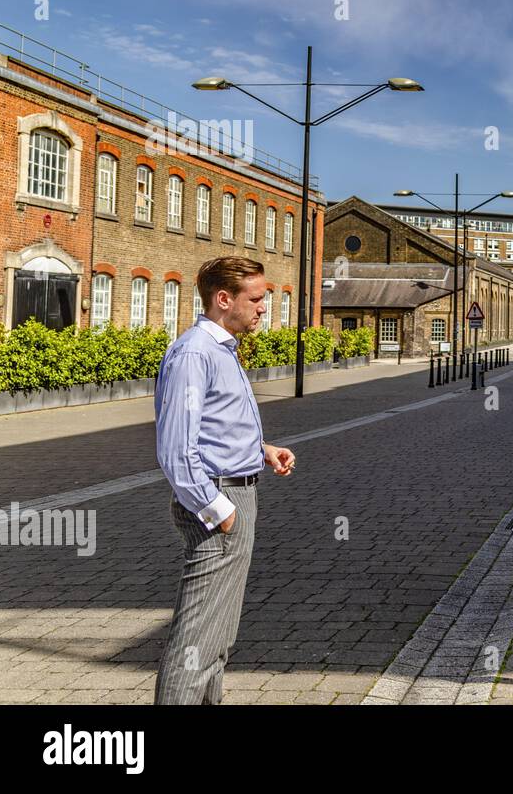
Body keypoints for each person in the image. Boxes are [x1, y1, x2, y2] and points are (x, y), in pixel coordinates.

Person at [153, 257, 296, 705]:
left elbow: (215, 427)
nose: (263, 308)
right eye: (256, 299)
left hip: (235, 492)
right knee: (196, 640)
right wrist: (221, 511)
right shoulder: (196, 352)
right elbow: (177, 449)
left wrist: (261, 450)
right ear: (223, 299)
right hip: (219, 502)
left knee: (217, 635)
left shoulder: (222, 349)